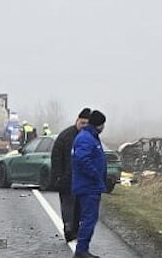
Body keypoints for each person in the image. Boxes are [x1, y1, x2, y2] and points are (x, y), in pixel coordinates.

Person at [51, 108, 91, 243]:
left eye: (87, 124)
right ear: (77, 121)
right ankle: (68, 229)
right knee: (68, 205)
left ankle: (75, 230)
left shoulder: (89, 137)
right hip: (67, 178)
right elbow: (56, 158)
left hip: (82, 179)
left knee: (79, 206)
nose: (84, 126)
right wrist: (58, 176)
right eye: (82, 123)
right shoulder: (66, 136)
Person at [71, 109, 107, 258]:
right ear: (99, 124)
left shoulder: (91, 136)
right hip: (88, 186)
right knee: (89, 219)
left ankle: (82, 248)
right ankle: (81, 250)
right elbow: (82, 160)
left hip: (90, 185)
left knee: (88, 218)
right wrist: (96, 175)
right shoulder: (87, 138)